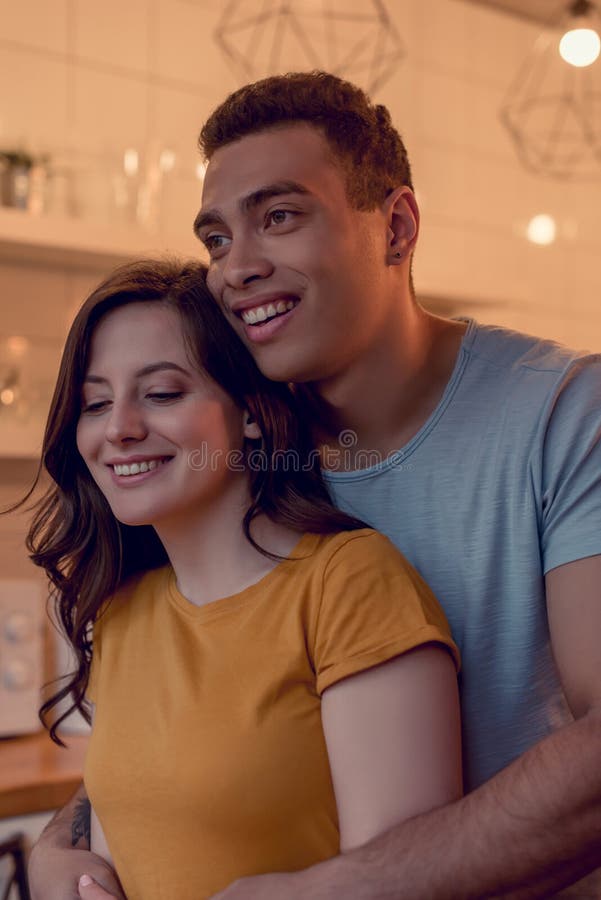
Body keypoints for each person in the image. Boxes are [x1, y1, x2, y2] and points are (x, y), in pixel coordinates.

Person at [54, 69, 601, 899]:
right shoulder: (237, 455)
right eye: (215, 239)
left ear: (397, 225)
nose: (236, 267)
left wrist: (330, 891)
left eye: (278, 217)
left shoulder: (563, 412)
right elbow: (212, 730)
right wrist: (70, 837)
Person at [23, 257, 461, 900]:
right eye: (96, 403)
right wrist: (58, 854)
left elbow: (402, 884)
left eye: (163, 393)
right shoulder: (123, 609)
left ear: (250, 413)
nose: (119, 428)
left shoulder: (348, 584)